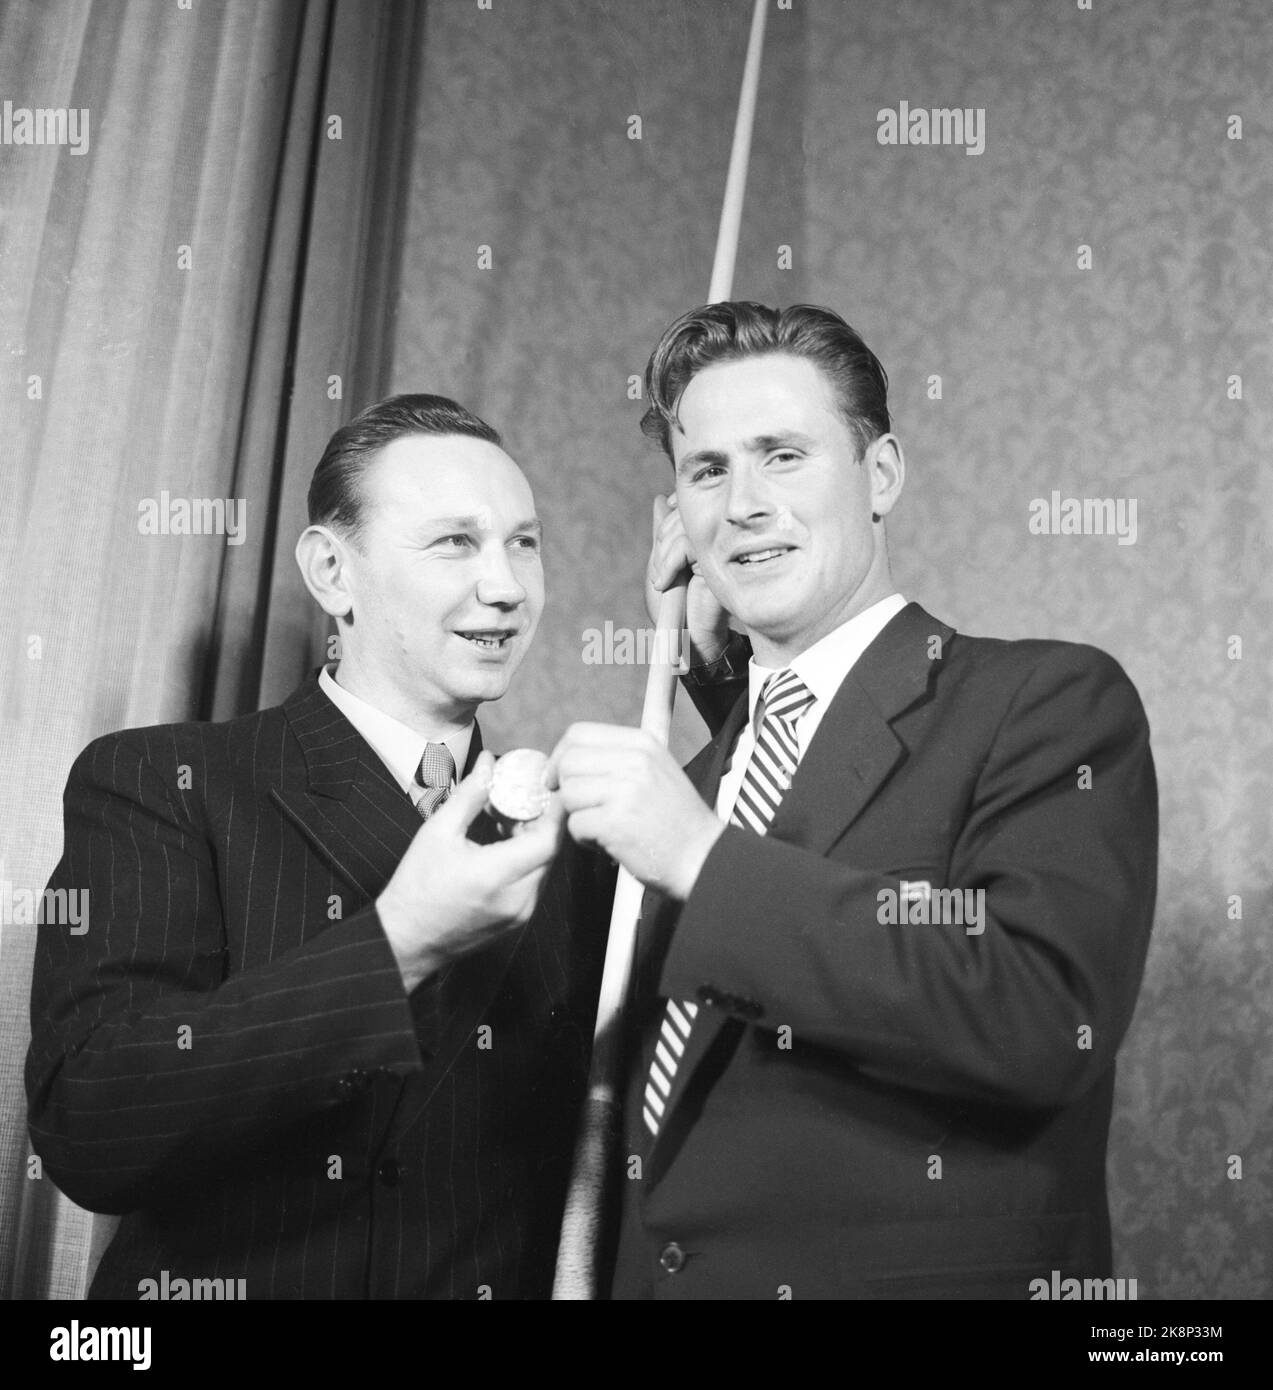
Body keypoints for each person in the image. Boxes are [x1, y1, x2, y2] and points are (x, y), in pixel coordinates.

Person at [548, 302, 1159, 1300]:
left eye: (782, 455)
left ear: (880, 476)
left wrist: (704, 862)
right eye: (707, 471)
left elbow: (1046, 1016)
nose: (742, 503)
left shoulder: (1040, 703)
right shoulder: (690, 786)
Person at [26, 394, 613, 1300]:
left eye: (524, 543)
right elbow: (94, 1127)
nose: (506, 587)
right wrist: (395, 946)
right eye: (455, 542)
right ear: (333, 571)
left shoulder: (581, 841)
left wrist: (722, 679)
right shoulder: (163, 782)